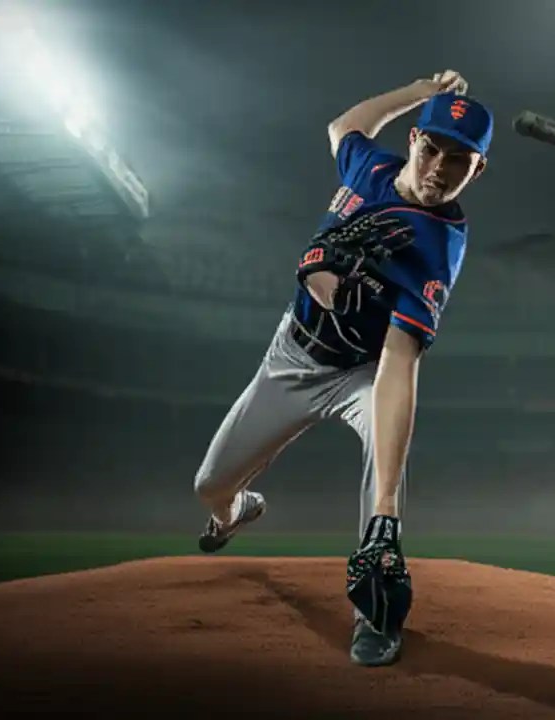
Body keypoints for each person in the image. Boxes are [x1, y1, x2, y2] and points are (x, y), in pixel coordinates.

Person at [190, 69, 491, 668]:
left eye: (458, 160)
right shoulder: (371, 169)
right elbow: (343, 126)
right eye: (432, 147)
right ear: (412, 139)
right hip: (292, 357)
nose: (438, 168)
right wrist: (418, 92)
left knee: (386, 453)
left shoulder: (438, 246)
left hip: (362, 371)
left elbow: (401, 364)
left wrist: (387, 504)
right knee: (210, 488)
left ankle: (374, 616)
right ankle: (238, 511)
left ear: (477, 171)